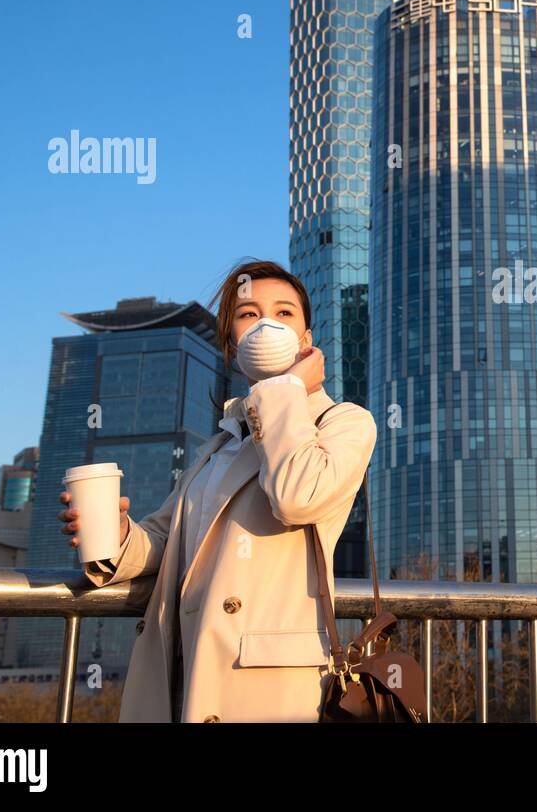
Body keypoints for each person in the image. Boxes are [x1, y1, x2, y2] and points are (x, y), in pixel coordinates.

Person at [57, 259, 377, 721]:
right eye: (248, 315)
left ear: (307, 341)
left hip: (268, 685)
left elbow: (298, 496)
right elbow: (167, 543)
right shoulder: (219, 446)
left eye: (284, 313)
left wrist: (285, 391)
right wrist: (118, 534)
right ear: (231, 345)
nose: (267, 323)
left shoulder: (343, 421)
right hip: (189, 670)